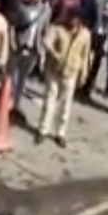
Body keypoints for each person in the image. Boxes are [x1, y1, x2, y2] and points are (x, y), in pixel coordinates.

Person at [37, 8, 92, 147]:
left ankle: (60, 133)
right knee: (49, 100)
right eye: (70, 18)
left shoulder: (85, 34)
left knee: (65, 105)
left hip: (71, 71)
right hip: (53, 70)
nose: (72, 21)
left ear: (79, 20)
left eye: (75, 19)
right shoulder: (57, 28)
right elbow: (46, 41)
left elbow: (85, 55)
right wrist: (54, 52)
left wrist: (84, 73)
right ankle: (43, 130)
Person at [8, 0, 51, 121]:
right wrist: (12, 42)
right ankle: (9, 102)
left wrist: (42, 50)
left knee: (23, 79)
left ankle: (16, 104)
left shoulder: (45, 11)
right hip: (19, 46)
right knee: (13, 77)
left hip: (33, 48)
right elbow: (12, 26)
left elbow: (45, 30)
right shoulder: (21, 7)